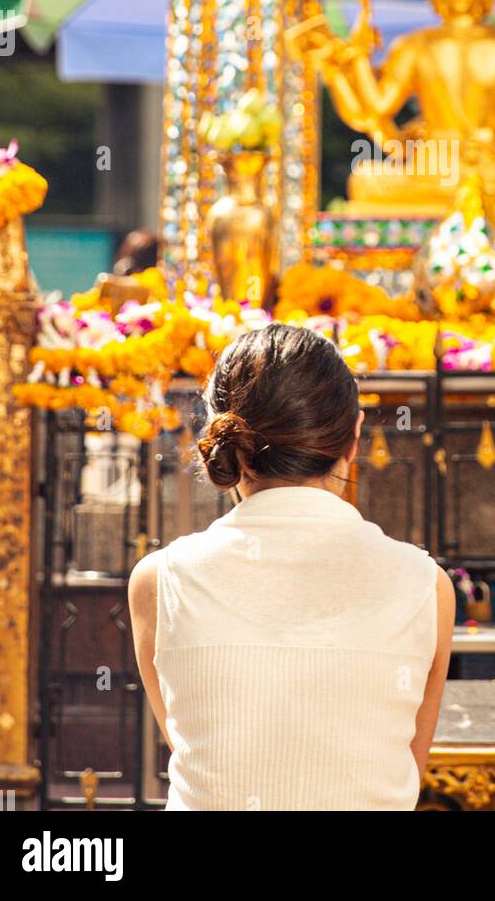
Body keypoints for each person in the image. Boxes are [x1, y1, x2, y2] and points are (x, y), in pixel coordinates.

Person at [128, 322, 454, 811]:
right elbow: (402, 772)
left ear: (224, 439)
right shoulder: (427, 586)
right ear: (355, 437)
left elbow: (204, 752)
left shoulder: (158, 582)